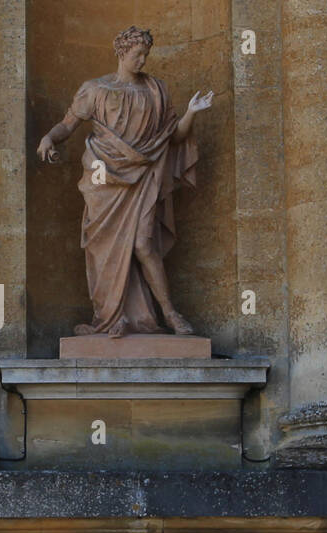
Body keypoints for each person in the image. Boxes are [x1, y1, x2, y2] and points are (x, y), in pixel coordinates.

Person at [37, 26, 213, 336]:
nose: (142, 60)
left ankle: (170, 314)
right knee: (102, 245)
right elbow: (68, 124)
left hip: (143, 176)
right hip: (103, 177)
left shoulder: (156, 90)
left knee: (144, 244)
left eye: (146, 55)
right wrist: (49, 138)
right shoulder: (95, 89)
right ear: (121, 53)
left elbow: (174, 137)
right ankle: (108, 316)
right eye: (137, 55)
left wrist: (191, 113)